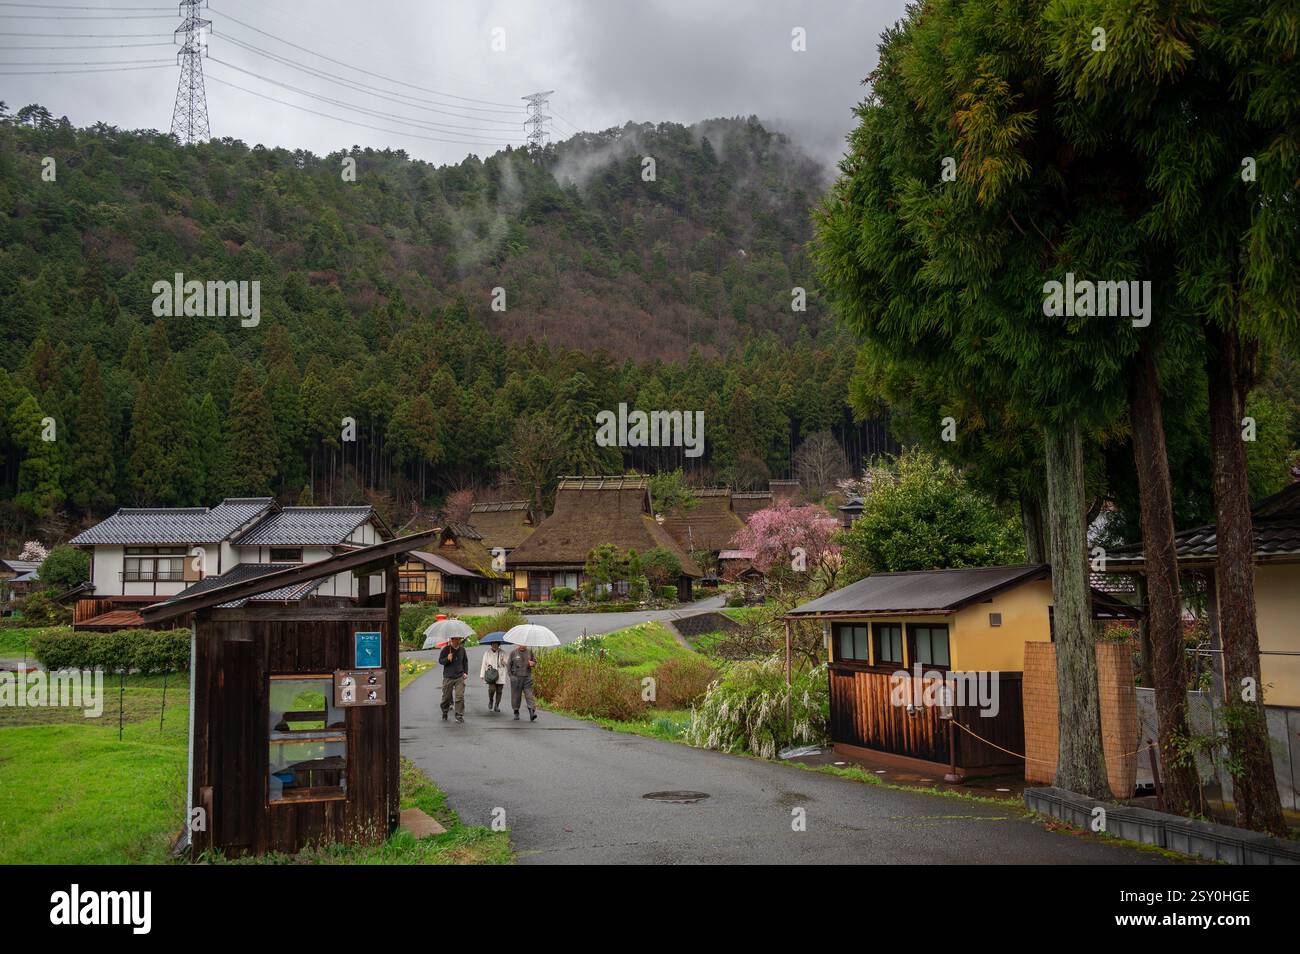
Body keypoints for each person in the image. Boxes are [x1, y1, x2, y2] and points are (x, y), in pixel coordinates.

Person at [438, 635, 469, 723]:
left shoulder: (462, 650)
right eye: (456, 639)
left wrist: (465, 672)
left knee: (460, 697)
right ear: (452, 640)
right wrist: (447, 659)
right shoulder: (446, 649)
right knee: (446, 698)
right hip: (448, 677)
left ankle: (459, 715)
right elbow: (440, 661)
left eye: (459, 639)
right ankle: (444, 711)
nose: (458, 641)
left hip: (459, 676)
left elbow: (465, 661)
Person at [507, 642, 538, 722]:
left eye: (524, 644)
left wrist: (533, 663)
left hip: (527, 678)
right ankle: (516, 711)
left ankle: (531, 712)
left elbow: (535, 662)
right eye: (521, 644)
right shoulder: (513, 653)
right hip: (516, 677)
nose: (522, 645)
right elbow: (508, 665)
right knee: (516, 696)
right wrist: (511, 676)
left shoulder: (530, 652)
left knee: (529, 695)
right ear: (518, 644)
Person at [479, 639, 508, 712]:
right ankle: (491, 700)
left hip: (500, 674)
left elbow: (506, 664)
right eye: (493, 644)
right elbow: (484, 663)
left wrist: (502, 661)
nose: (495, 645)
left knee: (499, 691)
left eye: (496, 644)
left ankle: (497, 705)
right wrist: (482, 675)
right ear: (491, 645)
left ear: (499, 645)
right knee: (491, 689)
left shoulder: (503, 652)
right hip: (491, 674)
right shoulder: (487, 653)